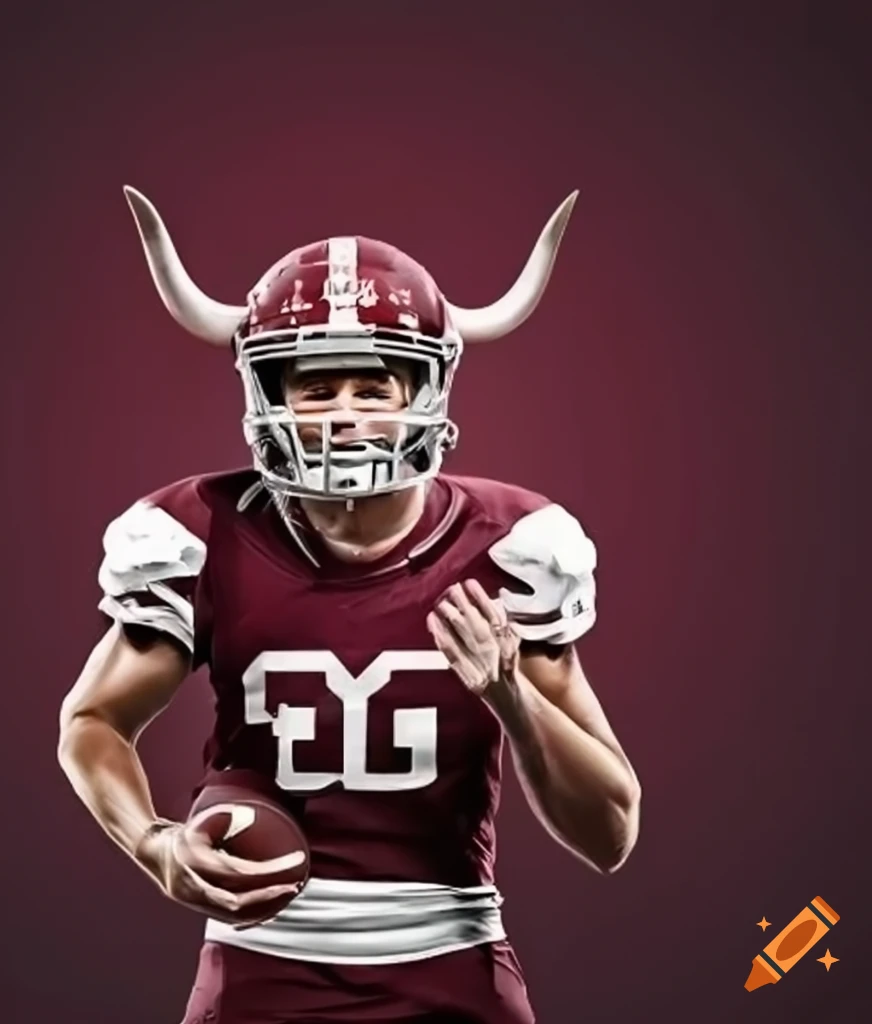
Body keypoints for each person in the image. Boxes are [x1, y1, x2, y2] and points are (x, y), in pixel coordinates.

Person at [58, 186, 642, 1024]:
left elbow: (611, 835)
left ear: (426, 395)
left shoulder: (512, 546)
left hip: (451, 959)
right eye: (313, 388)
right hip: (259, 961)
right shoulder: (198, 534)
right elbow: (92, 723)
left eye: (373, 388)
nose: (342, 418)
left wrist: (513, 697)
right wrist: (154, 845)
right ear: (267, 396)